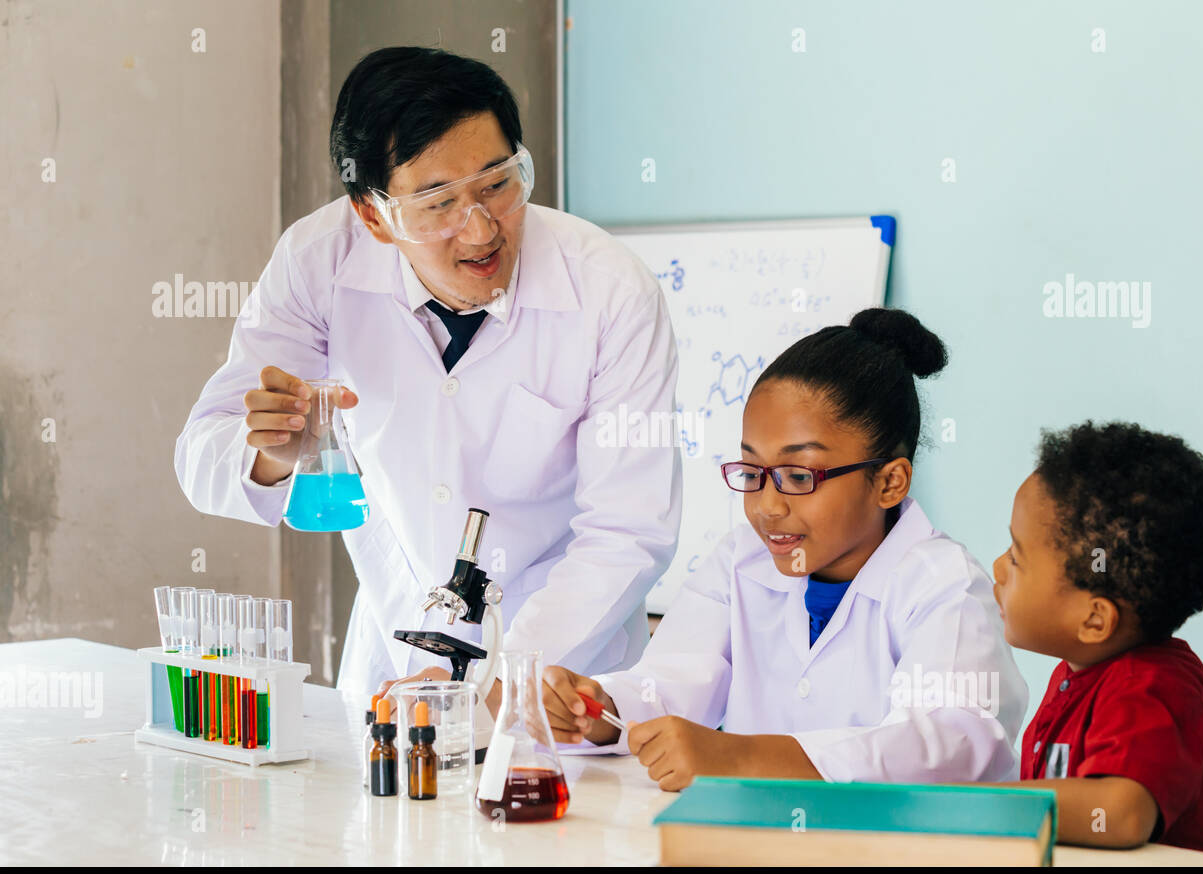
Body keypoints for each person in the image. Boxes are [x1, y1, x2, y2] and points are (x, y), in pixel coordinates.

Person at [175, 47, 682, 697]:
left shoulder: (608, 289)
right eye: (439, 202)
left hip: (562, 670)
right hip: (396, 664)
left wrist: (504, 680)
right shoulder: (318, 262)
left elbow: (628, 527)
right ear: (372, 214)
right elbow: (202, 455)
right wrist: (271, 455)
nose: (479, 231)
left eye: (498, 184)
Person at [542, 308, 1028, 790]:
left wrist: (742, 757)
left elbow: (951, 743)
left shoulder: (945, 586)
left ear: (889, 482)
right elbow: (673, 680)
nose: (767, 507)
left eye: (799, 476)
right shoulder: (741, 562)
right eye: (753, 473)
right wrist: (599, 708)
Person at [989, 422, 1203, 857]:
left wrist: (976, 803)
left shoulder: (1153, 686)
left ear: (1095, 620)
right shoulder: (1075, 677)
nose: (999, 567)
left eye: (1017, 557)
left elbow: (1118, 814)